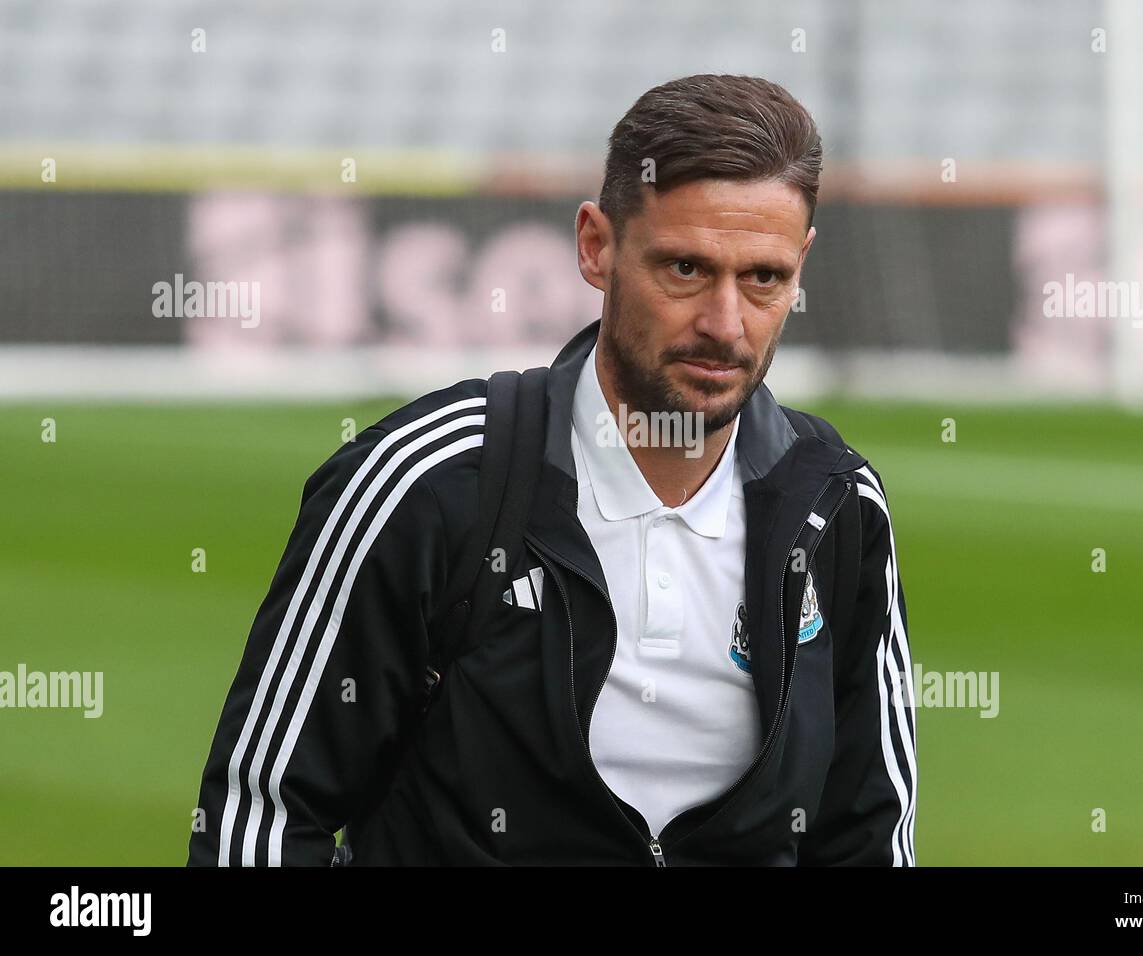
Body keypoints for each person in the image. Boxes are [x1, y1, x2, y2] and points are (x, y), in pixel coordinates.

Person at [187, 73, 916, 867]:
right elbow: (258, 817)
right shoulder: (423, 483)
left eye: (763, 278)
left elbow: (866, 842)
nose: (724, 324)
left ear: (801, 265)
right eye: (685, 269)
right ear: (596, 247)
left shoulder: (837, 507)